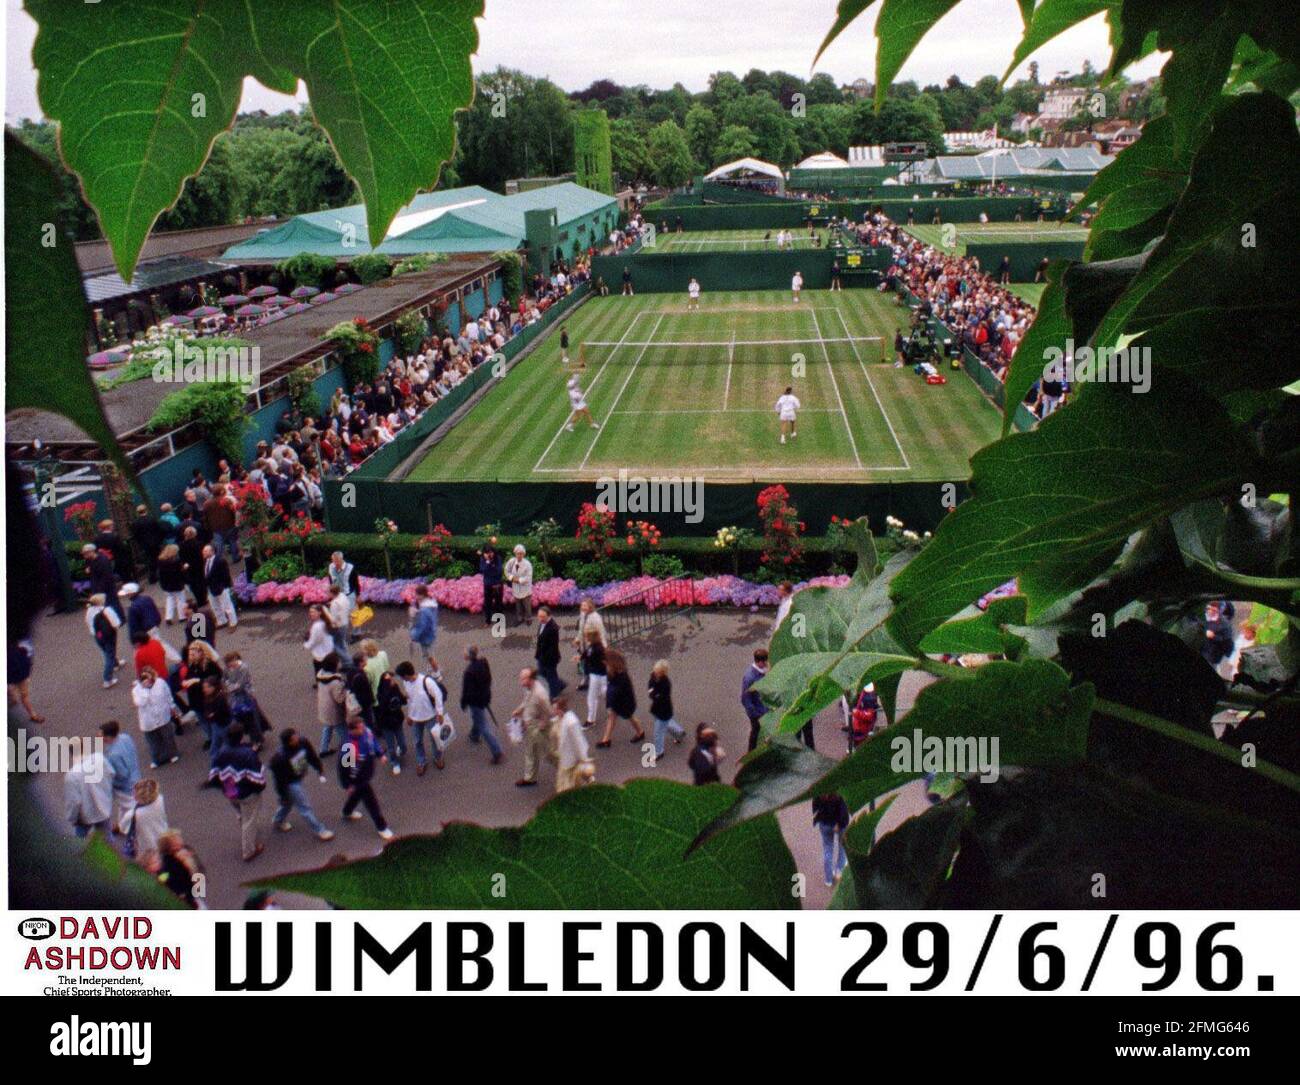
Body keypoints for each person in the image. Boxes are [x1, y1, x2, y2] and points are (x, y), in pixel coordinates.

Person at [209, 723, 266, 862]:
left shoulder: (221, 752)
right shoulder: (247, 754)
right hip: (247, 793)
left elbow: (214, 773)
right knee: (249, 821)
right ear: (241, 736)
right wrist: (260, 788)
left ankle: (245, 828)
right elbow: (257, 777)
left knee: (241, 813)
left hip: (230, 791)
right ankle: (248, 850)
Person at [269, 729, 335, 841]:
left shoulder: (303, 742)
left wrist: (319, 768)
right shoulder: (279, 759)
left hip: (297, 777)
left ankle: (278, 820)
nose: (298, 738)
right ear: (289, 742)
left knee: (288, 802)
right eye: (295, 738)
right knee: (304, 807)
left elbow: (311, 756)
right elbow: (279, 781)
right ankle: (320, 830)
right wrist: (283, 795)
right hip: (289, 783)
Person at [338, 717, 394, 840]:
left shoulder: (366, 731)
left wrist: (380, 755)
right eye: (360, 728)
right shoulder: (349, 747)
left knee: (357, 795)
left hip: (366, 773)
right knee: (372, 803)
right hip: (359, 778)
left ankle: (347, 811)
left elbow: (373, 742)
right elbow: (344, 769)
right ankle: (382, 827)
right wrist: (348, 785)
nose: (363, 729)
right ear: (352, 730)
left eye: (363, 726)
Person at [396, 659, 445, 776]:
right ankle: (421, 761)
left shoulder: (426, 681)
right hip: (416, 718)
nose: (402, 679)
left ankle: (438, 757)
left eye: (402, 676)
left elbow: (438, 696)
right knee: (417, 741)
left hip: (431, 716)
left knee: (434, 739)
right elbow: (410, 700)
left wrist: (440, 713)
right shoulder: (406, 683)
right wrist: (409, 715)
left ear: (406, 675)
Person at [64, 733, 113, 838]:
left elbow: (74, 801)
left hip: (85, 816)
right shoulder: (99, 759)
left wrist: (72, 818)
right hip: (103, 807)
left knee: (81, 841)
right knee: (108, 840)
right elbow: (111, 774)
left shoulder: (72, 775)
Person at [460, 645, 503, 764]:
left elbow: (467, 691)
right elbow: (488, 678)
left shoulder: (469, 672)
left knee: (483, 725)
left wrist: (463, 703)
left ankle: (497, 751)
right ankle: (474, 734)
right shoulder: (483, 662)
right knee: (477, 718)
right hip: (484, 696)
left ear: (468, 656)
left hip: (476, 701)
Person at [131, 666, 179, 768]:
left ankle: (172, 754)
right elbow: (140, 703)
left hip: (162, 716)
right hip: (148, 720)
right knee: (153, 741)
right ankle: (157, 759)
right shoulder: (137, 690)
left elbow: (168, 695)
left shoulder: (160, 683)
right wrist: (145, 690)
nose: (148, 681)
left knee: (168, 736)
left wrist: (172, 707)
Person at [512, 667, 552, 788]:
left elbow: (548, 711)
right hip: (531, 726)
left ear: (531, 679)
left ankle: (569, 768)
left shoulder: (540, 694)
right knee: (531, 751)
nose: (520, 681)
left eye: (523, 678)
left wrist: (543, 724)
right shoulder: (528, 688)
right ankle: (530, 778)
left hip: (538, 727)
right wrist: (519, 710)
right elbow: (526, 701)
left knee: (549, 753)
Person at [101, 720, 141, 838]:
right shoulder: (125, 737)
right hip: (136, 776)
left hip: (125, 787)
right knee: (123, 807)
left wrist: (110, 782)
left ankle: (128, 828)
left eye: (102, 734)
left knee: (130, 807)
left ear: (108, 737)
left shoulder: (113, 754)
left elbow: (122, 774)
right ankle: (122, 826)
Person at [598, 649, 646, 748]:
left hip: (624, 703)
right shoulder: (615, 672)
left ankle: (640, 732)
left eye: (606, 662)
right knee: (612, 718)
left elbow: (616, 692)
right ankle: (606, 740)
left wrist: (609, 702)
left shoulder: (621, 677)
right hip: (618, 702)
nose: (604, 664)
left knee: (630, 717)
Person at [553, 694, 593, 792]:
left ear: (560, 709)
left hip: (572, 759)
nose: (553, 711)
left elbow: (578, 741)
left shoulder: (571, 722)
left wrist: (584, 759)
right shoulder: (560, 718)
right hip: (566, 758)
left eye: (554, 709)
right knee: (572, 780)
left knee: (565, 785)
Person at [154, 830, 204, 908]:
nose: (181, 843)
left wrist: (191, 866)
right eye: (177, 844)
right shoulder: (167, 868)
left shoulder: (186, 855)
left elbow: (200, 888)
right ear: (170, 849)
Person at [647, 660, 685, 760]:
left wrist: (653, 694)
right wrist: (654, 693)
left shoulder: (666, 684)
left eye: (657, 671)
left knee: (658, 732)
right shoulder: (654, 676)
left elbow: (658, 697)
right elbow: (651, 688)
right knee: (667, 723)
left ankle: (659, 752)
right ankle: (679, 733)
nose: (654, 673)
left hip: (663, 711)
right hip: (657, 709)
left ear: (662, 672)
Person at [122, 778, 169, 860]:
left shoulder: (132, 815)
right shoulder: (160, 799)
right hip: (164, 837)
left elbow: (123, 828)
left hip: (146, 846)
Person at [812, 793, 851, 887]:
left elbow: (815, 808)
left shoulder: (819, 794)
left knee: (827, 850)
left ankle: (828, 879)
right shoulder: (838, 795)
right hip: (839, 825)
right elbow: (843, 811)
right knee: (842, 847)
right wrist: (840, 823)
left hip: (824, 824)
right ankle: (839, 871)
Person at [86, 593, 123, 688]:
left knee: (105, 651)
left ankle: (116, 663)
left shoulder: (89, 611)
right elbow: (116, 623)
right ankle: (107, 679)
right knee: (109, 654)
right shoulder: (107, 610)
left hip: (97, 635)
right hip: (109, 635)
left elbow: (88, 623)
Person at [315, 652, 349, 756]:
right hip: (334, 712)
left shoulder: (321, 676)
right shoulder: (335, 683)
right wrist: (346, 690)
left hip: (324, 708)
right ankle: (348, 759)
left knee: (327, 727)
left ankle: (323, 749)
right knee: (345, 736)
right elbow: (340, 699)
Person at [374, 670, 408, 771]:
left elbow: (401, 700)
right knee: (390, 746)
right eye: (390, 679)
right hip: (386, 724)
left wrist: (405, 698)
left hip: (397, 720)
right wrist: (390, 689)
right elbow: (383, 705)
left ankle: (400, 751)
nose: (393, 681)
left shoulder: (395, 688)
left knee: (403, 744)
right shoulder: (381, 694)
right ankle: (394, 762)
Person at [8, 638, 44, 723]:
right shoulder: (22, 648)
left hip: (17, 675)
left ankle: (13, 699)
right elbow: (28, 658)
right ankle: (33, 715)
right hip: (20, 674)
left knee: (20, 694)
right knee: (24, 696)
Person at [202, 544, 238, 629]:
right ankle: (221, 621)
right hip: (211, 588)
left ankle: (233, 623)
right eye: (203, 551)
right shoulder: (206, 561)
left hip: (220, 587)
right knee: (215, 606)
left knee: (227, 606)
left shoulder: (220, 561)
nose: (203, 552)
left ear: (212, 551)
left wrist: (224, 586)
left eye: (206, 551)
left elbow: (225, 575)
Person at [573, 598, 606, 692]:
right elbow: (581, 629)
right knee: (585, 663)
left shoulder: (596, 618)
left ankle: (597, 683)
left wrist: (603, 646)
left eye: (585, 606)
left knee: (593, 664)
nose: (582, 608)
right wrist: (577, 639)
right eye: (582, 606)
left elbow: (601, 632)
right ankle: (586, 681)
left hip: (593, 645)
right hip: (584, 644)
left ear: (590, 607)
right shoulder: (583, 615)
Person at [579, 626, 608, 729]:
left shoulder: (599, 648)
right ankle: (614, 707)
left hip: (599, 675)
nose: (586, 638)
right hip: (596, 674)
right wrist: (580, 657)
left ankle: (591, 720)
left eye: (587, 636)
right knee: (601, 694)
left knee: (594, 696)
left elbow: (604, 661)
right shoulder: (592, 646)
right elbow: (587, 654)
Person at [741, 648, 769, 751]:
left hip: (762, 709)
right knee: (756, 732)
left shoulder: (760, 673)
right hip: (757, 712)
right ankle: (751, 752)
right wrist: (755, 714)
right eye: (766, 662)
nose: (767, 664)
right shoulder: (750, 678)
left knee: (761, 731)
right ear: (760, 662)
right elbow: (745, 698)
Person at [534, 606, 565, 697]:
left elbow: (552, 647)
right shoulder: (543, 624)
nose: (540, 619)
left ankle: (554, 695)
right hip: (542, 655)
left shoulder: (553, 628)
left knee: (550, 676)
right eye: (539, 616)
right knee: (544, 674)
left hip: (549, 658)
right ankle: (560, 685)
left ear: (549, 616)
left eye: (543, 617)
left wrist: (544, 659)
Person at [156, 544, 188, 624]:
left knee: (170, 600)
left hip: (166, 584)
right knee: (180, 599)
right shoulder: (176, 561)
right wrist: (184, 568)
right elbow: (179, 572)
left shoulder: (160, 560)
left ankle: (168, 617)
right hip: (177, 583)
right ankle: (182, 616)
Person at [408, 584, 439, 664]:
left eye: (417, 594)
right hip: (431, 633)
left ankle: (436, 673)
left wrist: (413, 636)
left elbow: (421, 627)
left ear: (421, 595)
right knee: (430, 654)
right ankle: (434, 670)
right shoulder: (432, 603)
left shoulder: (424, 611)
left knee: (429, 656)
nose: (415, 596)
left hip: (426, 637)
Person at [304, 604, 336, 681]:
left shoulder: (317, 626)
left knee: (319, 670)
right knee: (329, 668)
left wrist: (306, 645)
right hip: (329, 649)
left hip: (320, 653)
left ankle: (321, 683)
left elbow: (313, 641)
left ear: (320, 613)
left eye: (313, 612)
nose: (311, 614)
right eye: (310, 612)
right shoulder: (325, 621)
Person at [504, 545, 534, 626]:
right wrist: (511, 578)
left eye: (521, 553)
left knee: (527, 605)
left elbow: (528, 577)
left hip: (525, 589)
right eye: (517, 553)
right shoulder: (511, 562)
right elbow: (506, 571)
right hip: (516, 588)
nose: (519, 555)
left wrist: (518, 580)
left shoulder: (527, 564)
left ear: (524, 554)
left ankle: (528, 618)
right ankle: (519, 618)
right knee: (518, 605)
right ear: (515, 554)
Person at [478, 543, 504, 622]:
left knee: (498, 603)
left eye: (491, 552)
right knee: (487, 603)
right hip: (488, 585)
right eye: (487, 553)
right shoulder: (483, 559)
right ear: (484, 553)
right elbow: (483, 570)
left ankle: (499, 620)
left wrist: (491, 570)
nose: (489, 554)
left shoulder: (498, 558)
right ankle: (488, 620)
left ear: (493, 552)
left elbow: (499, 571)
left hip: (497, 584)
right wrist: (488, 562)